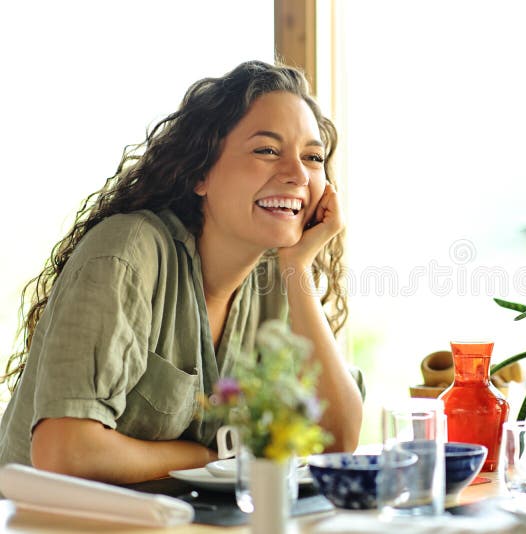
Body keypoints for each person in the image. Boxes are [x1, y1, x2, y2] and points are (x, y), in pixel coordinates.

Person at [0, 61, 363, 484]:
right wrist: (205, 457)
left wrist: (298, 267)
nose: (298, 174)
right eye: (267, 150)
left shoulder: (278, 279)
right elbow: (65, 452)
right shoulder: (127, 253)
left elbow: (338, 442)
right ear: (200, 173)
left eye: (313, 157)